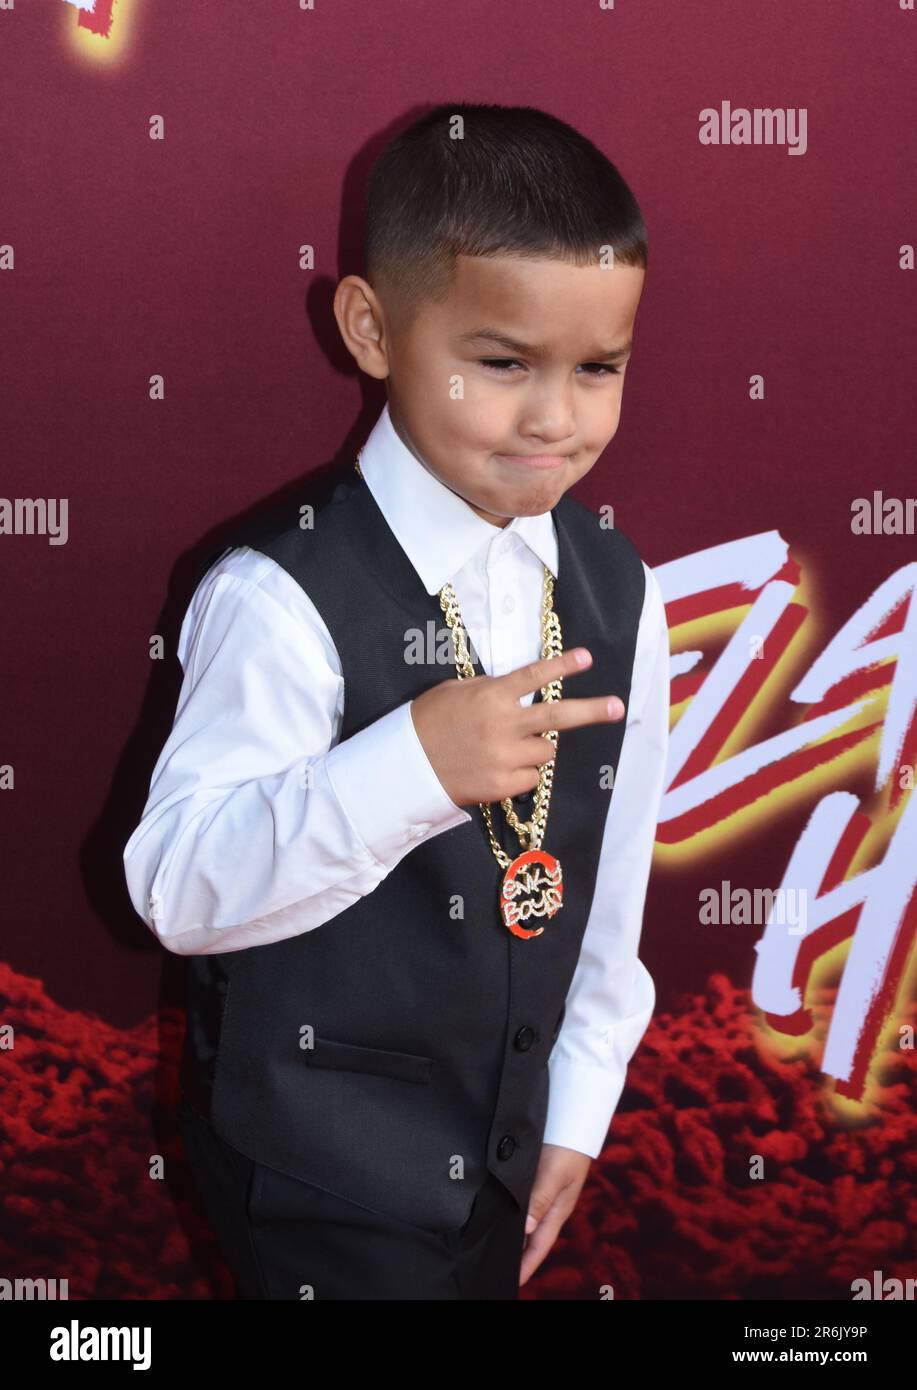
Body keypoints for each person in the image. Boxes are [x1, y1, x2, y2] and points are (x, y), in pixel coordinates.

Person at [123, 101, 670, 1301]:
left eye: (597, 369)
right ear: (371, 327)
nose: (554, 419)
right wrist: (408, 766)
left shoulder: (620, 590)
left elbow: (609, 893)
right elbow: (173, 884)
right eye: (501, 362)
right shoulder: (278, 594)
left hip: (504, 1159)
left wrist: (576, 1104)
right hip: (318, 1183)